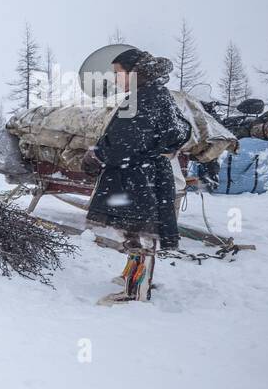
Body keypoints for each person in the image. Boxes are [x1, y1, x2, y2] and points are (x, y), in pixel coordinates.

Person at [82, 47, 191, 302]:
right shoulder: (156, 94)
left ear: (135, 72)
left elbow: (124, 144)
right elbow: (181, 130)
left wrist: (95, 156)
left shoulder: (141, 99)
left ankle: (136, 290)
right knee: (136, 229)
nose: (116, 78)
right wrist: (161, 148)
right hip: (147, 173)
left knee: (142, 233)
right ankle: (131, 275)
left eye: (118, 73)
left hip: (137, 177)